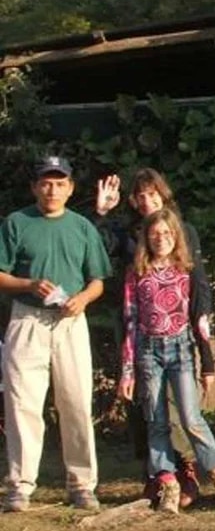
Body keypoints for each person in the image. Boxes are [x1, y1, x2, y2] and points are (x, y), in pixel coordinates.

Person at [94, 167, 212, 505]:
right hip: (139, 330)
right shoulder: (128, 232)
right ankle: (155, 472)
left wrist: (203, 345)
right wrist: (101, 214)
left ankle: (185, 468)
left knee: (179, 405)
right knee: (147, 403)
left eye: (153, 193)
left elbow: (199, 284)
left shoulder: (184, 230)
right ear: (132, 200)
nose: (147, 200)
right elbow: (99, 250)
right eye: (140, 195)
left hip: (178, 333)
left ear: (164, 194)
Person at [1, 156, 111, 512]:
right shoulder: (16, 223)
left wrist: (83, 298)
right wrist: (28, 284)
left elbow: (97, 280)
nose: (52, 189)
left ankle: (81, 484)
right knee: (22, 404)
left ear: (70, 188)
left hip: (69, 323)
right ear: (35, 187)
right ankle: (20, 485)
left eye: (59, 182)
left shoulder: (82, 227)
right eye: (46, 183)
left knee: (76, 402)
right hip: (27, 320)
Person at [118, 209, 215, 511]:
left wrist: (207, 362)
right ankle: (168, 482)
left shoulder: (184, 270)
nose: (161, 239)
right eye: (155, 234)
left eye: (167, 234)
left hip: (180, 350)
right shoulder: (136, 272)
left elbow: (199, 321)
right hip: (148, 352)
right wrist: (127, 371)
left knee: (190, 416)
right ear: (146, 237)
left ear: (176, 237)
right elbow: (130, 322)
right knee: (156, 420)